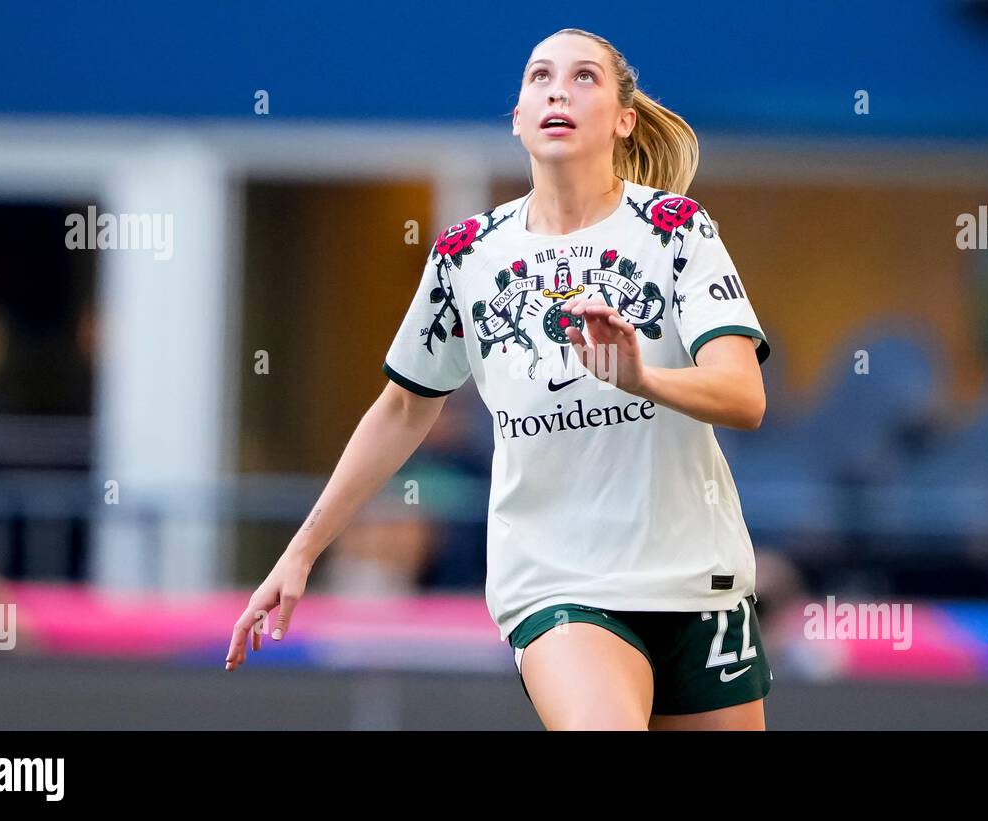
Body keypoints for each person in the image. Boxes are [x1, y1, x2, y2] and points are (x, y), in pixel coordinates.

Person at [226, 28, 775, 730]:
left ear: (623, 119)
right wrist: (300, 552)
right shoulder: (466, 254)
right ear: (518, 118)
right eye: (540, 76)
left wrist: (640, 377)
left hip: (701, 580)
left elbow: (743, 396)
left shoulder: (676, 229)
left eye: (584, 78)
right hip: (558, 583)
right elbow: (401, 410)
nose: (557, 89)